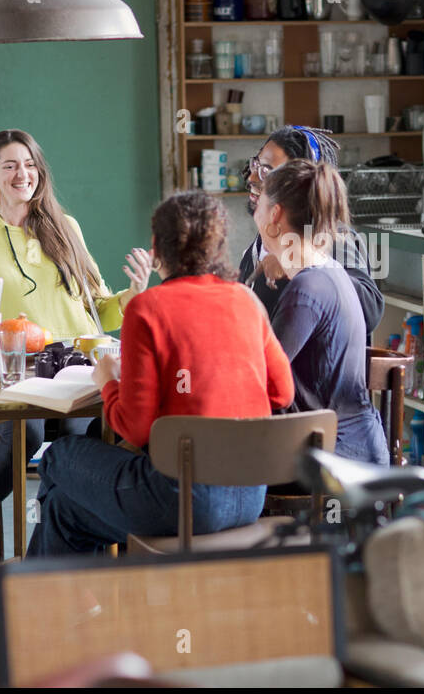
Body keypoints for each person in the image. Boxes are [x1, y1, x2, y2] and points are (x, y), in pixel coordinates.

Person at [26, 190, 295, 557]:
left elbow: (134, 428)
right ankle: (70, 607)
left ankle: (43, 601)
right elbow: (282, 393)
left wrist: (108, 381)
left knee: (59, 455)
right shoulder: (245, 301)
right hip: (248, 496)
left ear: (155, 247)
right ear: (218, 247)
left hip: (181, 501)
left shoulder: (148, 308)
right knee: (62, 511)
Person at [0, 129, 152, 577]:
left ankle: (73, 547)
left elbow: (101, 309)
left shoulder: (66, 227)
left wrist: (136, 292)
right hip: (14, 371)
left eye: (30, 164)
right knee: (31, 432)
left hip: (78, 365)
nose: (23, 174)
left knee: (87, 434)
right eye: (10, 165)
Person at [254, 159, 390, 465]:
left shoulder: (308, 289)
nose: (255, 211)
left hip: (334, 458)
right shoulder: (324, 272)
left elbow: (258, 377)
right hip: (347, 448)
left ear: (275, 214)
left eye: (259, 201)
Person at [239, 126, 383, 336]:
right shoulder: (263, 242)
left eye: (266, 171)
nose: (252, 177)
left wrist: (299, 261)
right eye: (256, 164)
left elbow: (370, 310)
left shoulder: (329, 235)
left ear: (299, 181)